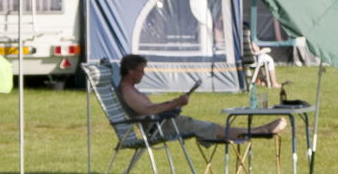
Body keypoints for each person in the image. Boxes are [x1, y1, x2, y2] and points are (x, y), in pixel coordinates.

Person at [116, 53, 286, 143]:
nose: (143, 74)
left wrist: (172, 105)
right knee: (210, 128)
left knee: (210, 127)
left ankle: (254, 132)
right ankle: (258, 132)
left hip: (164, 122)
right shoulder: (127, 91)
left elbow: (149, 110)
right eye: (141, 71)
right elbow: (147, 111)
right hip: (160, 128)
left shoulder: (131, 89)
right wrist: (175, 103)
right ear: (130, 72)